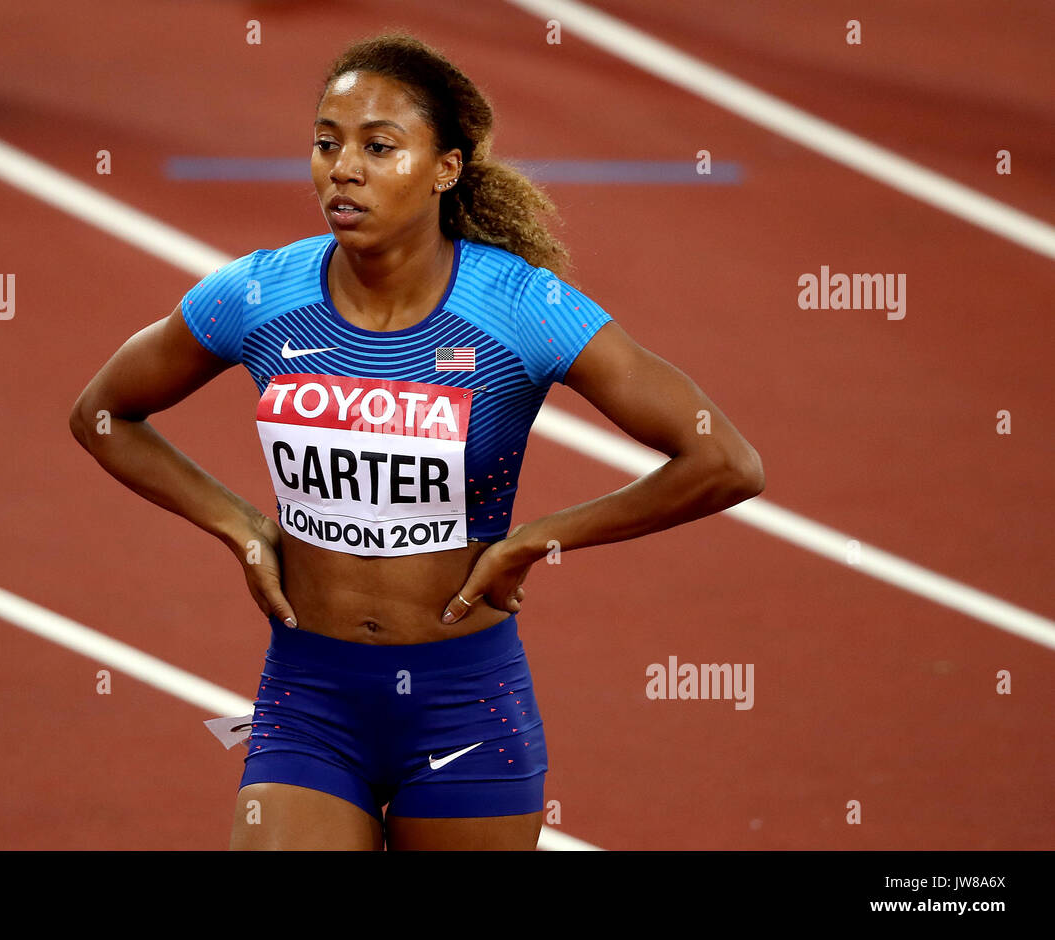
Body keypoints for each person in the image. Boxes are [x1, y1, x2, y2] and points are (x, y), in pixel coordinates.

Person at [69, 31, 764, 851]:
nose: (344, 168)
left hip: (464, 703)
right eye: (326, 143)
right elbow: (103, 414)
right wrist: (241, 527)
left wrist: (540, 538)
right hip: (309, 693)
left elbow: (723, 460)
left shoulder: (519, 308)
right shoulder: (261, 292)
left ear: (446, 169)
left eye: (379, 146)